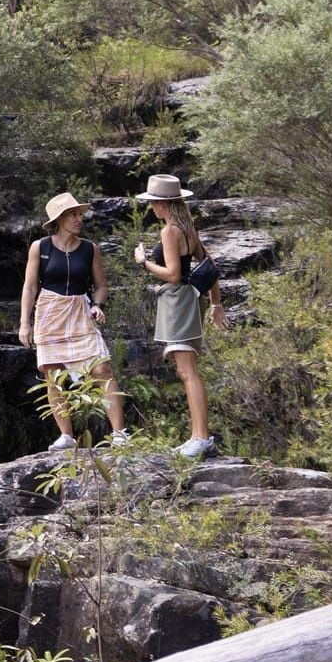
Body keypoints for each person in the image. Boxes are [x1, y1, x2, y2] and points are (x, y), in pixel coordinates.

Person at [18, 192, 124, 451]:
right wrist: (24, 322)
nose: (79, 219)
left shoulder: (90, 248)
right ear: (59, 219)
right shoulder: (40, 248)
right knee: (52, 374)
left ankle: (120, 433)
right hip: (49, 311)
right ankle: (67, 436)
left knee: (102, 369)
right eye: (73, 215)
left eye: (80, 214)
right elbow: (30, 287)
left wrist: (97, 305)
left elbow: (101, 286)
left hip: (79, 310)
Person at [133, 174, 225, 459]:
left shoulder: (170, 231)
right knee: (186, 370)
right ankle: (198, 436)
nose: (151, 208)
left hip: (178, 302)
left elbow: (173, 275)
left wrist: (144, 262)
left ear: (164, 204)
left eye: (154, 203)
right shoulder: (188, 229)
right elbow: (208, 266)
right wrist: (215, 304)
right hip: (187, 301)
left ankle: (201, 438)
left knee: (187, 371)